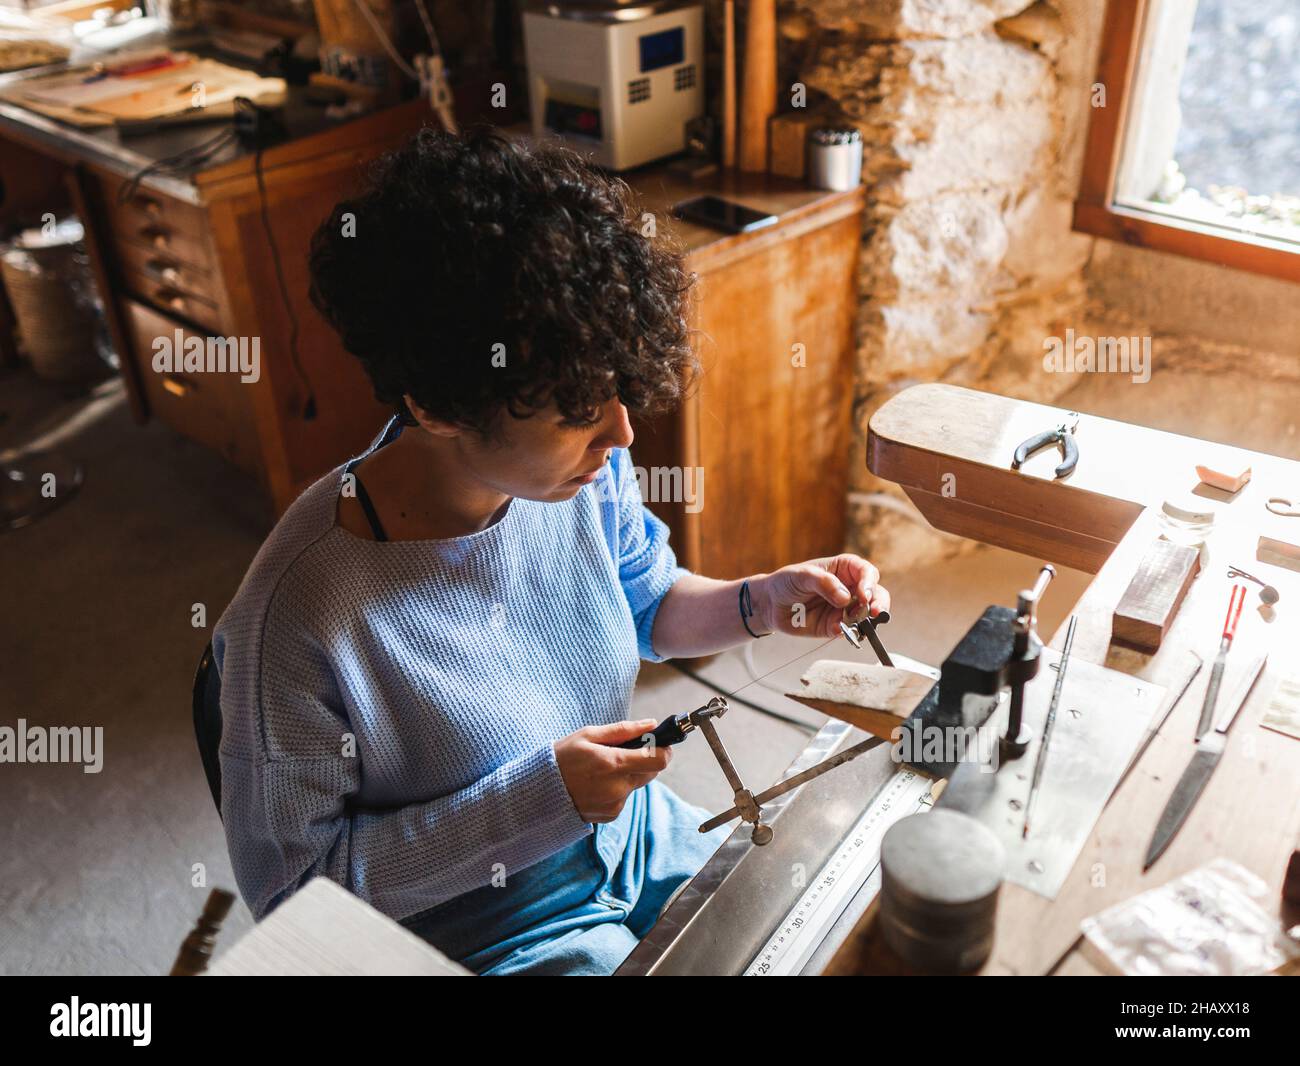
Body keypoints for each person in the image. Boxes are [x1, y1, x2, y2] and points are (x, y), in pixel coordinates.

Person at [212, 126, 889, 975]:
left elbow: (646, 604)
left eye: (615, 392)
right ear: (439, 406)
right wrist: (537, 802)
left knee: (829, 919)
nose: (622, 430)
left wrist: (766, 598)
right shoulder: (301, 617)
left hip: (632, 840)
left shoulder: (582, 474)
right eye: (577, 411)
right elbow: (293, 897)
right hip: (484, 932)